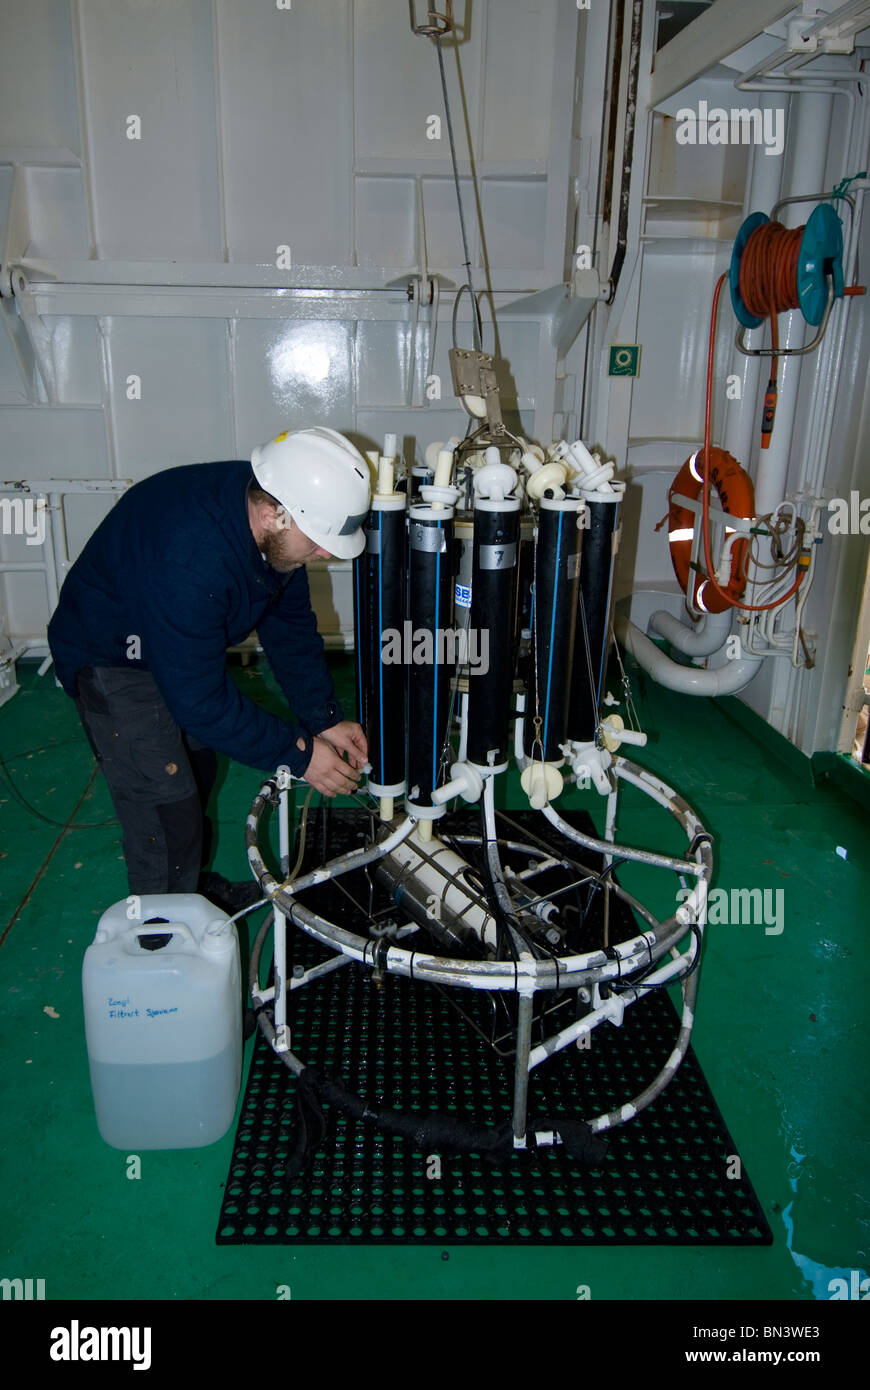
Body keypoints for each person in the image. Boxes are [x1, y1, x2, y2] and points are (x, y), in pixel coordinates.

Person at [47, 427, 371, 911]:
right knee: (166, 803)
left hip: (172, 635)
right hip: (113, 656)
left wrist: (322, 716)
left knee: (196, 767)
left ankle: (190, 888)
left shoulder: (273, 521)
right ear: (271, 514)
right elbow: (200, 703)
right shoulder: (192, 558)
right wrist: (300, 754)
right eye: (320, 541)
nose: (326, 554)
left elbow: (290, 626)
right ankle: (163, 930)